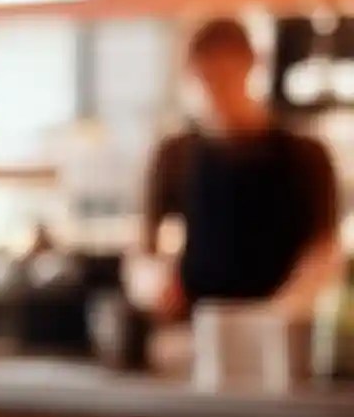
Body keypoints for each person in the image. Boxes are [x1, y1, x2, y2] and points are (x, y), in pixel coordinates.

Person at [142, 17, 343, 321]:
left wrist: (281, 311)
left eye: (226, 73)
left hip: (281, 325)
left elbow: (324, 251)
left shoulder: (306, 154)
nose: (217, 88)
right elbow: (144, 253)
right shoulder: (175, 154)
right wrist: (154, 284)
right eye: (207, 76)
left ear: (252, 64)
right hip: (199, 324)